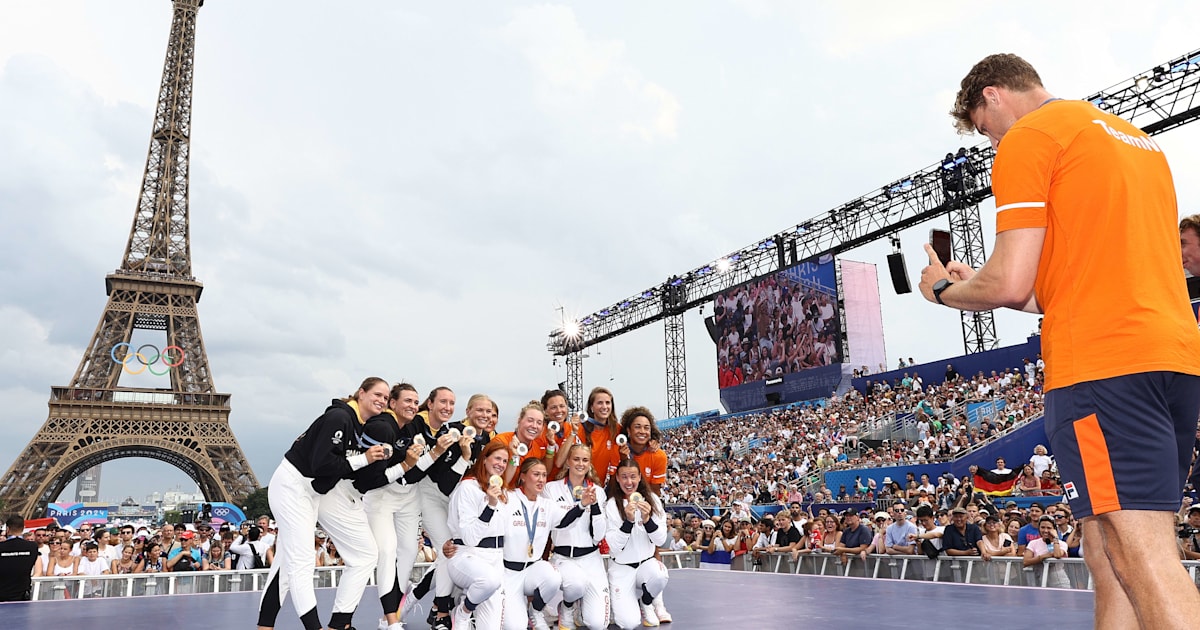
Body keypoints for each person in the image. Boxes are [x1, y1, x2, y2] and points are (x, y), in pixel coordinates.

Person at [929, 52, 1200, 627]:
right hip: (1170, 353)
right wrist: (972, 279)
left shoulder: (1030, 138)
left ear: (993, 95)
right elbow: (1047, 289)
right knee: (1110, 548)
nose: (991, 141)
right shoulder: (1133, 139)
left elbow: (1008, 282)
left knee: (1142, 553)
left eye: (984, 128)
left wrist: (942, 292)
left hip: (1103, 363)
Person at [256, 377, 391, 630]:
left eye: (385, 397)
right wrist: (364, 459)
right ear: (360, 393)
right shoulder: (339, 419)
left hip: (307, 491)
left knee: (286, 564)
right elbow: (322, 465)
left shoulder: (354, 424)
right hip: (293, 487)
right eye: (377, 394)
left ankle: (265, 626)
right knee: (302, 561)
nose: (382, 400)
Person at [354, 382, 427, 630]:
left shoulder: (412, 424)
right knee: (386, 551)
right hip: (378, 496)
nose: (413, 406)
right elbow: (374, 479)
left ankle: (392, 612)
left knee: (407, 551)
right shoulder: (383, 428)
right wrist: (407, 464)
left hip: (405, 496)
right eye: (407, 401)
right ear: (392, 403)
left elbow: (431, 410)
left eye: (416, 402)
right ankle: (390, 620)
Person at [444, 440, 510, 630]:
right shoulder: (467, 488)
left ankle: (467, 602)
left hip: (495, 558)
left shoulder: (502, 491)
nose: (501, 464)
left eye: (505, 461)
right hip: (468, 554)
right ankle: (464, 611)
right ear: (484, 460)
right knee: (489, 580)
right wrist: (490, 505)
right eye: (497, 458)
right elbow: (470, 537)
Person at [545, 443, 609, 630]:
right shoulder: (552, 489)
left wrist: (595, 505)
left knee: (598, 624)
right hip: (564, 558)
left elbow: (599, 536)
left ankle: (580, 608)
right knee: (576, 584)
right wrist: (581, 505)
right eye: (576, 459)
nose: (580, 464)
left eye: (585, 460)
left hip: (591, 558)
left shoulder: (598, 491)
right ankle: (567, 606)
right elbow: (557, 523)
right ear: (567, 462)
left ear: (589, 464)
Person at [604, 458, 669, 630]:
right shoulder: (611, 506)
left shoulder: (653, 500)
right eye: (624, 477)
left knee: (660, 574)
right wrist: (628, 521)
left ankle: (646, 603)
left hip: (646, 565)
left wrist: (647, 520)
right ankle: (622, 603)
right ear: (617, 478)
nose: (629, 482)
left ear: (640, 477)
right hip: (621, 568)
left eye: (633, 476)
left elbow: (661, 539)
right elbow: (614, 547)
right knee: (629, 623)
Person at [500, 458, 561, 630]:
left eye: (544, 475)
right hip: (509, 572)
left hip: (532, 570)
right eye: (536, 474)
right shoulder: (508, 499)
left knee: (553, 577)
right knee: (514, 627)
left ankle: (536, 610)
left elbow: (566, 520)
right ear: (523, 477)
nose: (541, 479)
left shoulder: (547, 504)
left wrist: (583, 505)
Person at [0, 515, 41, 602]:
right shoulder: (32, 547)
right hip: (22, 595)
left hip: (2, 594)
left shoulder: (1, 547)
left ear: (7, 529)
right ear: (23, 529)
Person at [1023, 516, 1070, 588]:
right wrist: (1043, 557)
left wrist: (1055, 538)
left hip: (1060, 582)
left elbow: (1057, 555)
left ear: (1054, 529)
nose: (1045, 530)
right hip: (1040, 581)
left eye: (1049, 528)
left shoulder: (1062, 544)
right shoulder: (1033, 543)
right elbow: (1026, 561)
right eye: (1042, 527)